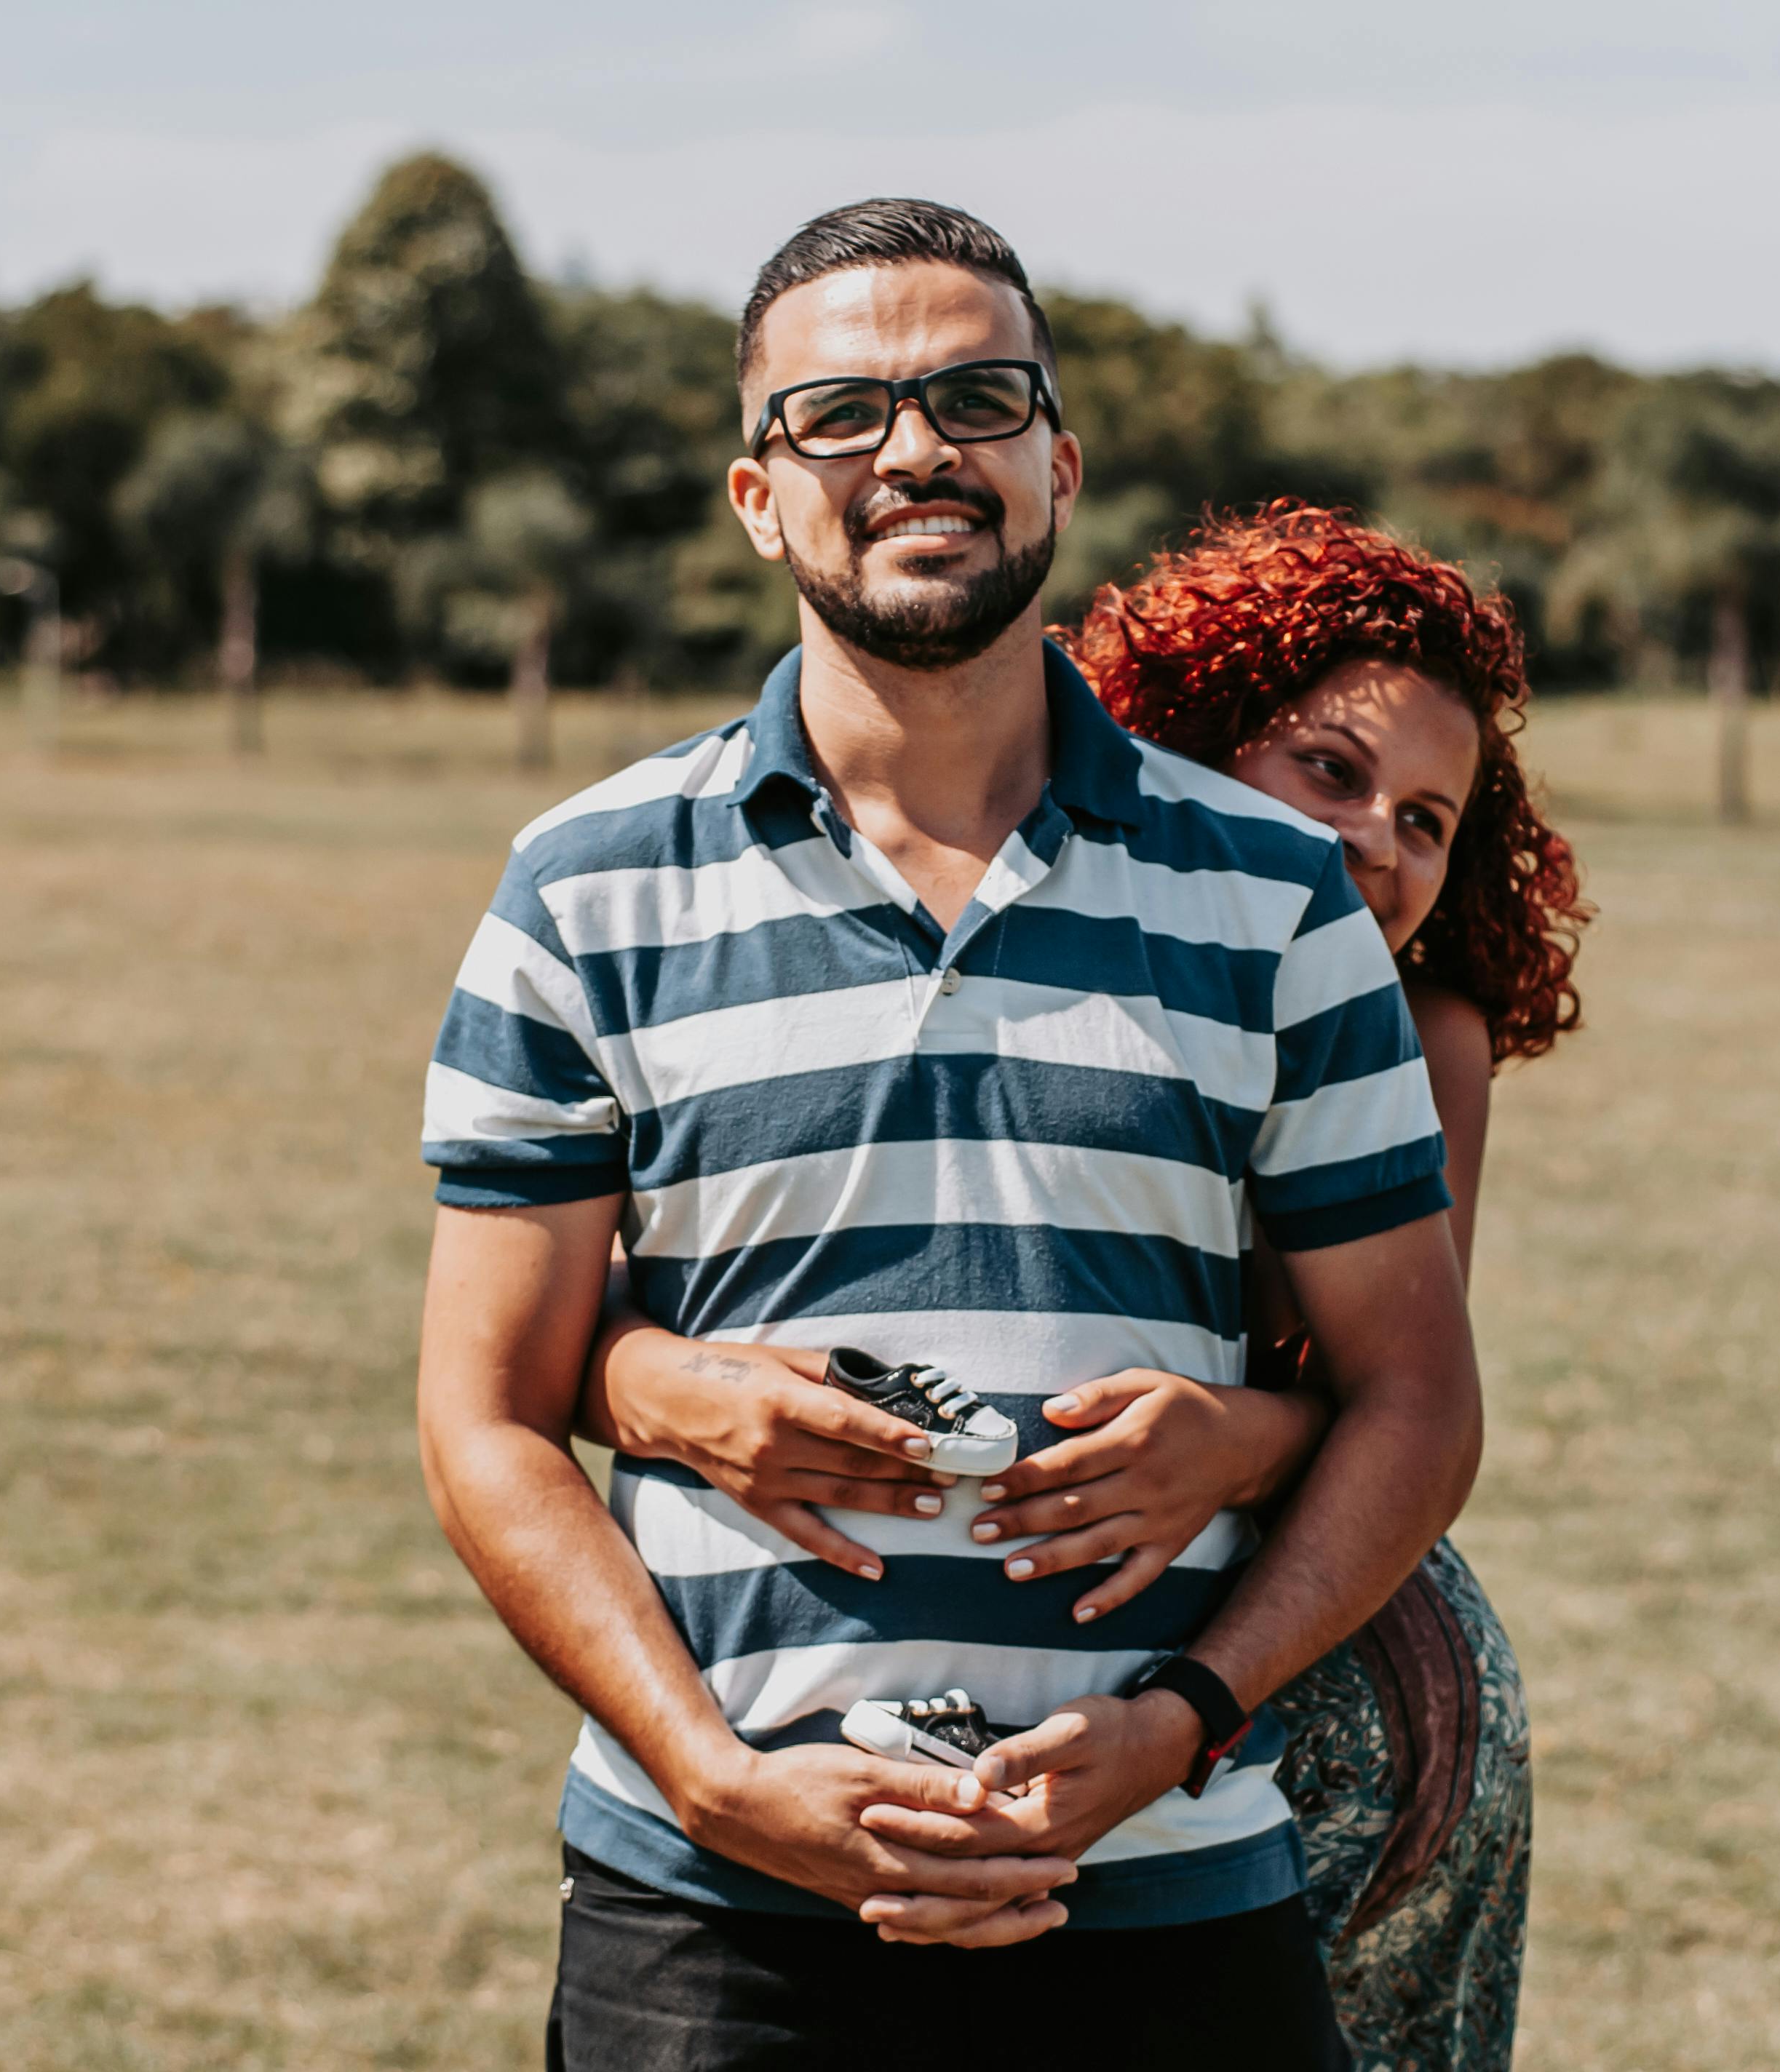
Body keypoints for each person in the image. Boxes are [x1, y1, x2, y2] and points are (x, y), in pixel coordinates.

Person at [415, 199, 1482, 2071]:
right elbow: (484, 1413)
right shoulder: (580, 888)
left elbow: (1418, 1398)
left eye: (975, 397)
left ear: (1056, 466)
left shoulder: (1276, 903)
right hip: (710, 1911)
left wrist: (1180, 1723)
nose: (915, 449)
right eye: (841, 413)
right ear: (758, 497)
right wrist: (712, 1776)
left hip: (1167, 1889)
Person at [587, 502, 1586, 2069]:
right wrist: (636, 1377)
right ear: (1185, 736)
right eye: (1327, 770)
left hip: (1316, 1661)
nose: (1373, 841)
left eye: (1424, 818)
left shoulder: (1423, 1034)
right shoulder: (1066, 932)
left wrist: (1242, 1448)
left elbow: (1388, 1389)